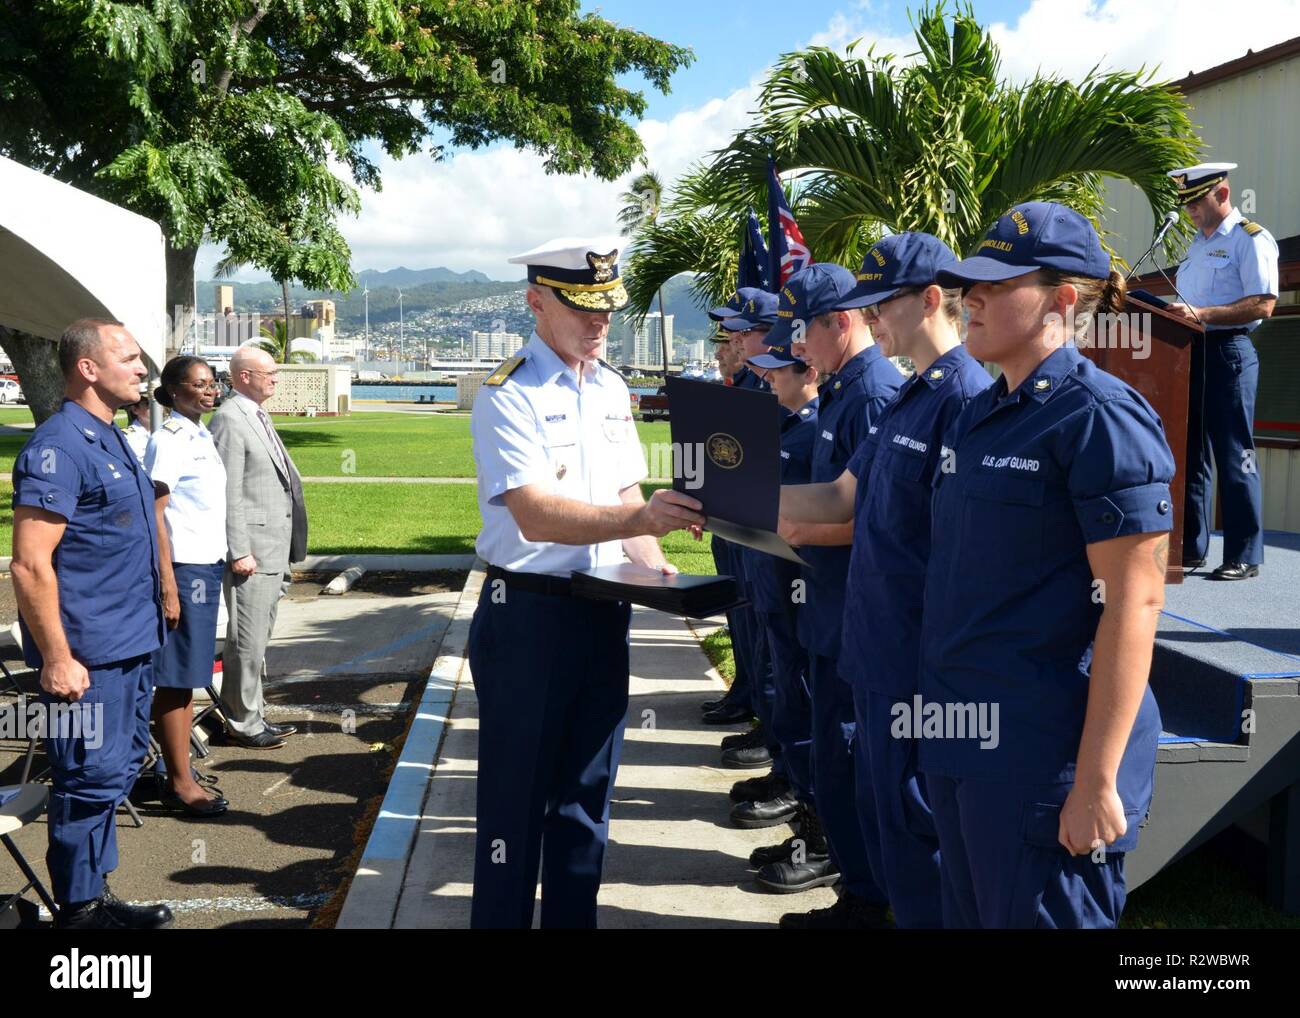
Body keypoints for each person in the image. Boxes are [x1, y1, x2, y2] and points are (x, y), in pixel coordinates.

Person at [921, 201, 1174, 928]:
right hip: (965, 738)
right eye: (972, 283)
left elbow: (1135, 603)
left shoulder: (1097, 416)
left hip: (1043, 760)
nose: (974, 297)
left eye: (999, 285)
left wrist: (1096, 779)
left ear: (1063, 300)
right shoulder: (980, 411)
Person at [468, 237, 705, 929]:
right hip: (528, 620)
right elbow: (537, 515)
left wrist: (659, 564)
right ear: (536, 301)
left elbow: (625, 488)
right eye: (583, 309)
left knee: (586, 801)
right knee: (515, 806)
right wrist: (640, 515)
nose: (600, 323)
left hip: (605, 613)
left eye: (608, 309)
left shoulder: (607, 388)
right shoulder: (508, 392)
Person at [780, 233, 992, 928]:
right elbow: (844, 498)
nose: (873, 320)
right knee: (885, 823)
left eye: (884, 305)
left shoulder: (965, 396)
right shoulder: (912, 396)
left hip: (916, 661)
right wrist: (727, 500)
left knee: (920, 833)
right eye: (866, 307)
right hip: (874, 649)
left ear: (932, 300)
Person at [10, 318, 172, 929]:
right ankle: (78, 913)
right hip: (87, 656)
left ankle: (95, 895)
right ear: (88, 368)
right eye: (128, 358)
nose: (141, 369)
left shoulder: (109, 436)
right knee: (86, 778)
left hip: (130, 643)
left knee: (118, 767)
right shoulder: (59, 447)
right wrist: (56, 657)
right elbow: (29, 564)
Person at [760, 264, 904, 925]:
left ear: (839, 323)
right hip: (824, 609)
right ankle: (857, 892)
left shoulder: (873, 395)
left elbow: (866, 520)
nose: (796, 352)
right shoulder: (848, 392)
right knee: (835, 761)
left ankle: (870, 901)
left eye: (803, 336)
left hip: (852, 614)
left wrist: (782, 520)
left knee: (852, 764)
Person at [733, 342, 825, 860]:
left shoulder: (815, 426)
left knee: (803, 702)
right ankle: (788, 781)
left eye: (775, 371)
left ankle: (811, 823)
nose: (765, 379)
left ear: (806, 372)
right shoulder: (787, 423)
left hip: (802, 589)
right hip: (772, 582)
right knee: (783, 693)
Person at [1164, 163, 1278, 580]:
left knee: (1235, 453)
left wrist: (1202, 312)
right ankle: (1192, 547)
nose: (1190, 209)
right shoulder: (1196, 245)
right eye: (1186, 202)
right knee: (1190, 451)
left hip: (1228, 351)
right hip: (1188, 352)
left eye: (1196, 200)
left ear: (1223, 194)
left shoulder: (1250, 239)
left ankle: (1245, 553)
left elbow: (1264, 303)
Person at [209, 346, 307, 750]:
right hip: (253, 550)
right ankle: (243, 721)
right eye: (269, 372)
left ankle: (249, 711)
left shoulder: (254, 415)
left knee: (255, 637)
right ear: (244, 376)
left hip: (273, 547)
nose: (276, 378)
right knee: (247, 639)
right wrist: (239, 550)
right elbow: (228, 492)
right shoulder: (230, 419)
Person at [144, 355, 230, 817]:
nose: (209, 389)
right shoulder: (170, 439)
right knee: (175, 680)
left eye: (212, 382)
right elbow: (156, 514)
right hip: (183, 569)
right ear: (175, 391)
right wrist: (168, 585)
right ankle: (179, 782)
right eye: (199, 384)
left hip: (204, 566)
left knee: (188, 677)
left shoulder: (200, 434)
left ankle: (180, 772)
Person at [121, 394, 151, 463]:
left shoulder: (167, 432)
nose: (158, 408)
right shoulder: (127, 438)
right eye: (149, 404)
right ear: (135, 410)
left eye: (158, 403)